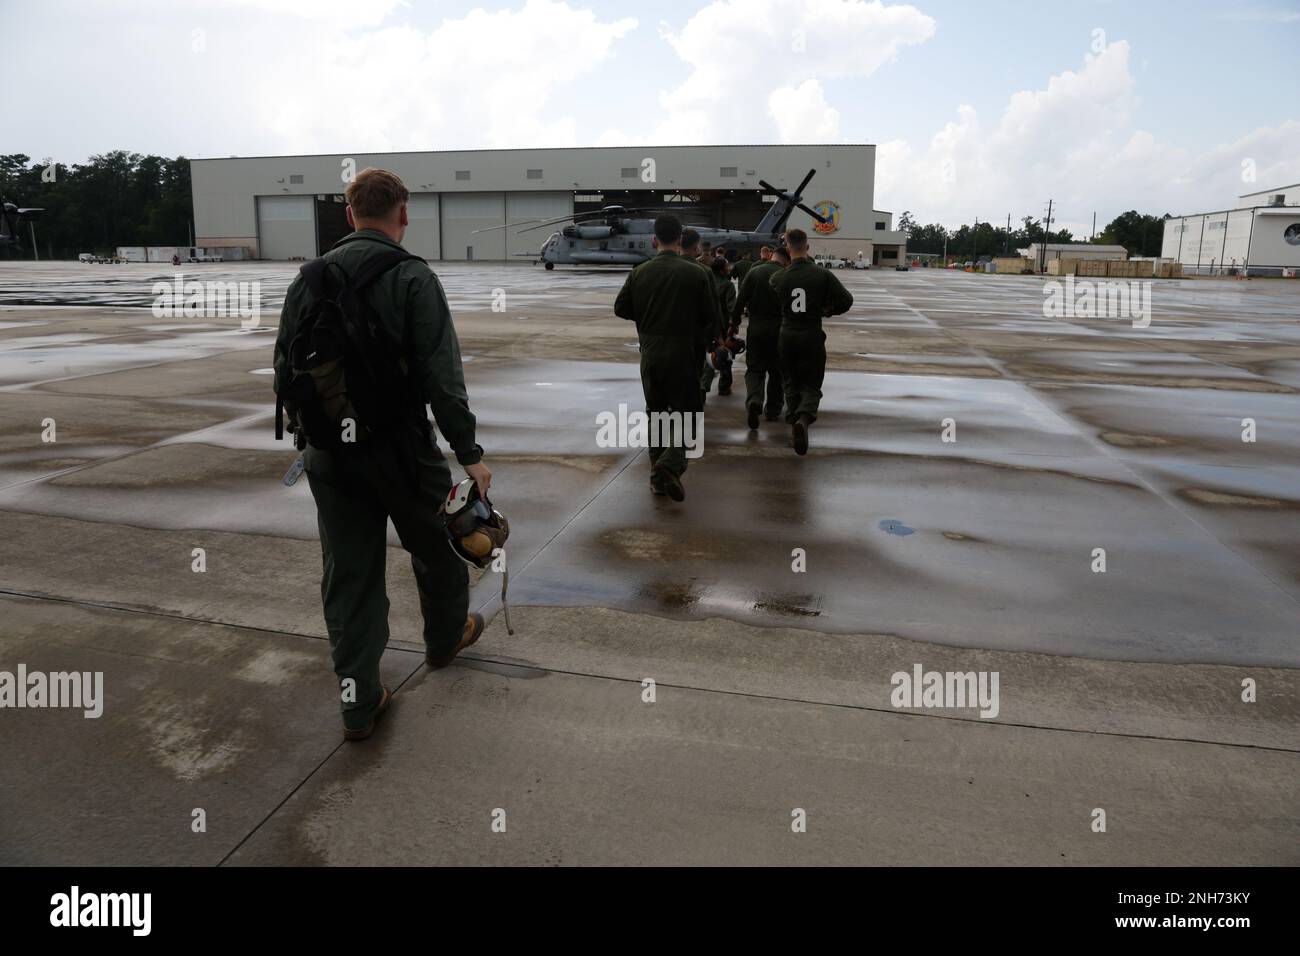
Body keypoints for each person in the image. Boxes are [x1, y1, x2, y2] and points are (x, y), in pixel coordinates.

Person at [274, 167, 492, 742]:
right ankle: (445, 640)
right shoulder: (414, 277)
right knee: (441, 550)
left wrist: (311, 436)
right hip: (401, 452)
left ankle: (359, 703)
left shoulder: (308, 280)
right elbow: (442, 377)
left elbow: (284, 371)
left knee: (349, 577)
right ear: (404, 213)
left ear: (349, 214)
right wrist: (468, 453)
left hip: (330, 456)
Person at [614, 215, 716, 501]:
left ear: (654, 240)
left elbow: (621, 308)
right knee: (688, 414)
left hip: (650, 353)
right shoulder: (695, 273)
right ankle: (669, 465)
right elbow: (709, 316)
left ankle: (657, 479)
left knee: (657, 414)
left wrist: (648, 318)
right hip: (683, 353)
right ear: (681, 240)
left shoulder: (640, 272)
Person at [769, 228, 853, 455]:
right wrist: (828, 310)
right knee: (812, 384)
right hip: (811, 335)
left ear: (787, 248)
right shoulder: (822, 275)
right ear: (807, 247)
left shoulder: (778, 277)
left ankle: (794, 421)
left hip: (786, 336)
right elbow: (846, 300)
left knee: (790, 383)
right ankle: (804, 418)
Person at [733, 245, 788, 428]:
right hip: (780, 329)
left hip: (756, 328)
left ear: (772, 255)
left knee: (755, 369)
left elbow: (740, 301)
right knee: (776, 371)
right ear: (786, 261)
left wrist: (733, 325)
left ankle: (754, 401)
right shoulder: (786, 276)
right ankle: (772, 410)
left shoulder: (755, 272)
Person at [699, 255, 737, 398]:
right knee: (724, 357)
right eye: (727, 267)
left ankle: (703, 385)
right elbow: (731, 307)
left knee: (707, 356)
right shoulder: (727, 285)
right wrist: (734, 325)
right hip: (722, 326)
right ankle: (723, 387)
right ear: (722, 271)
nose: (729, 269)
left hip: (704, 324)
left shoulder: (706, 281)